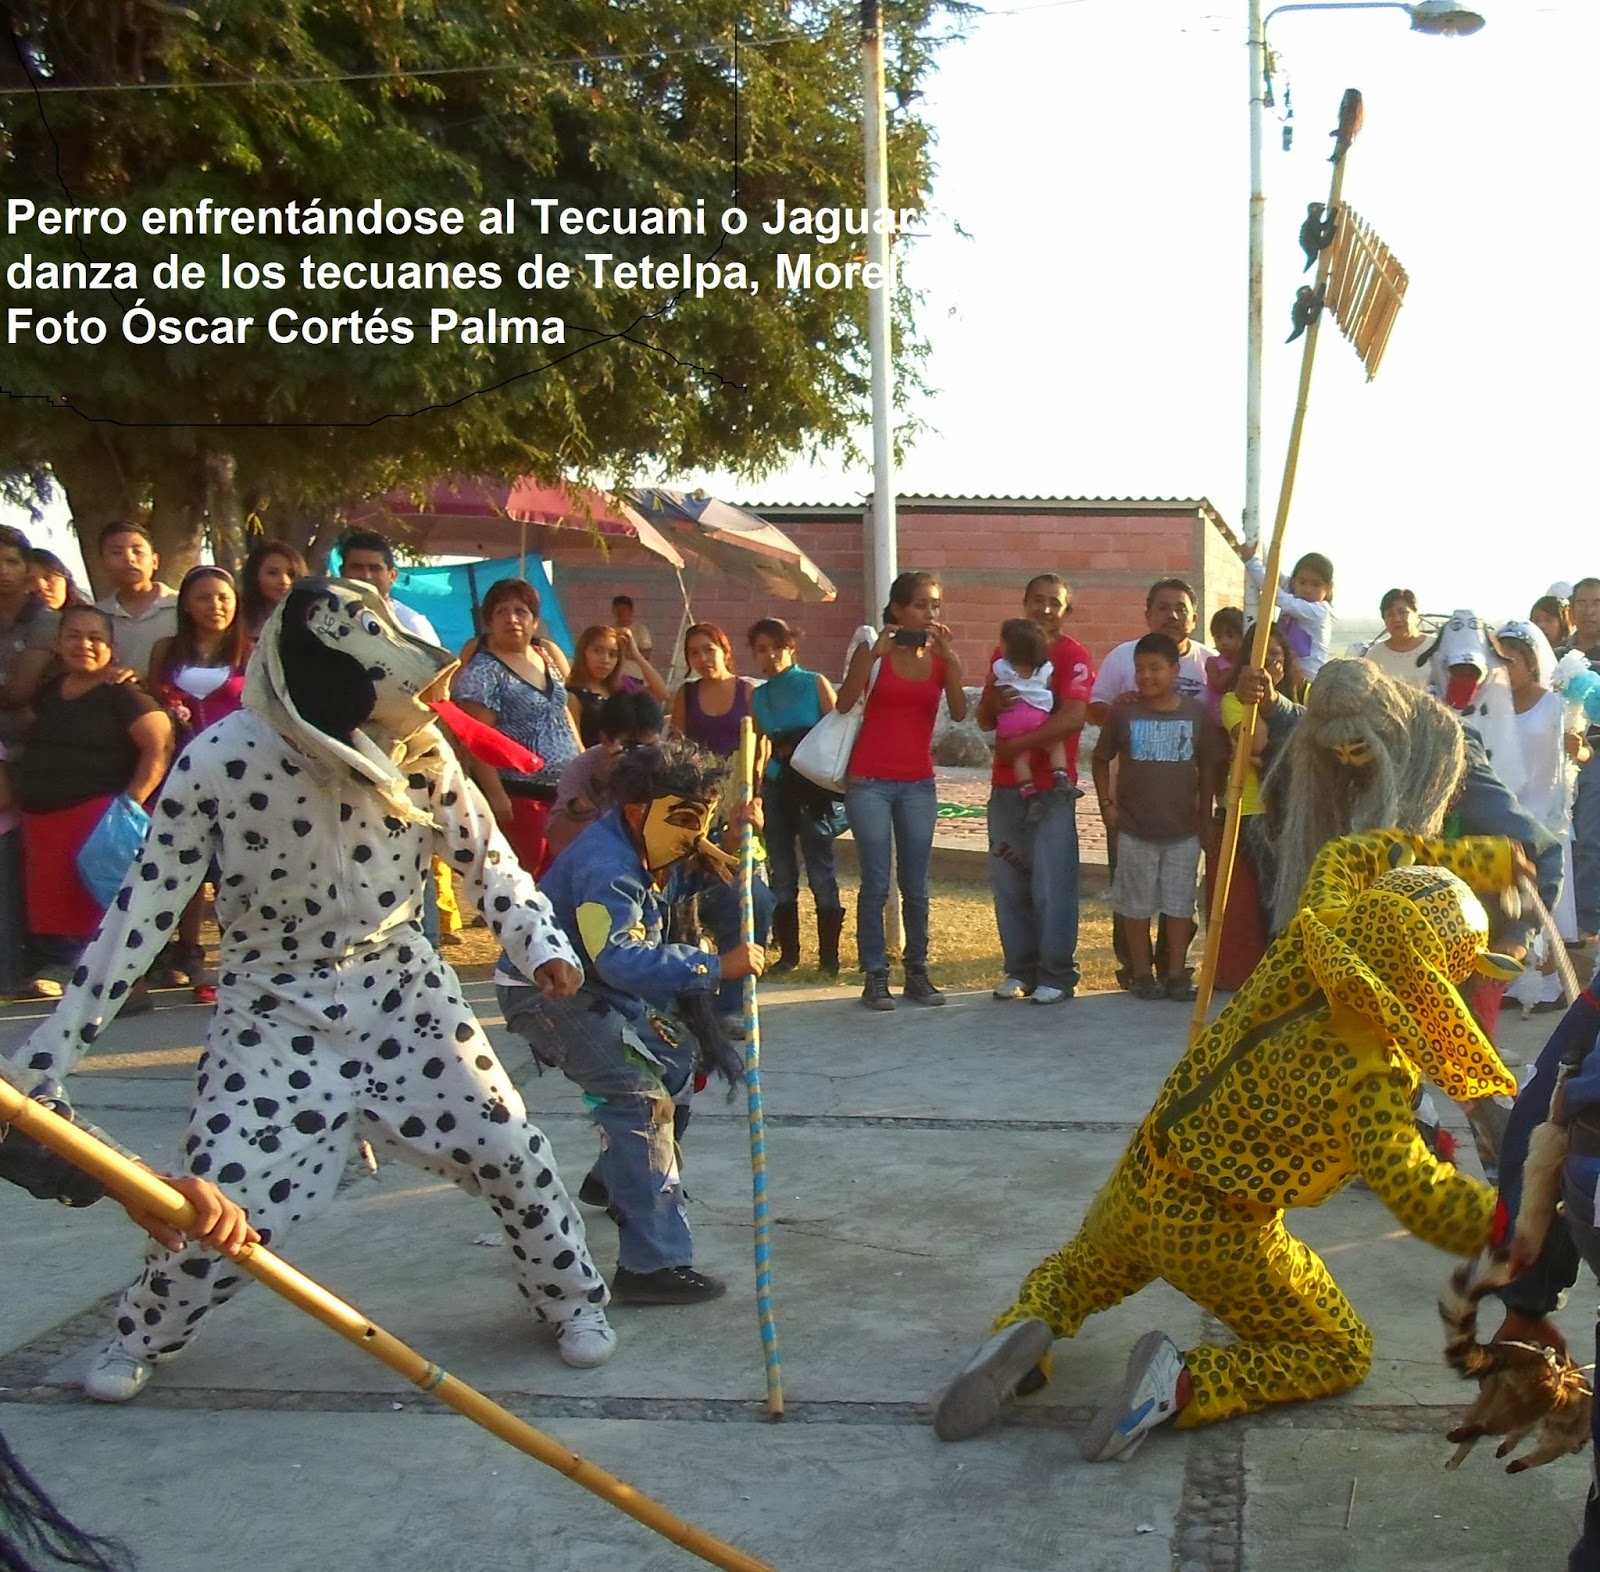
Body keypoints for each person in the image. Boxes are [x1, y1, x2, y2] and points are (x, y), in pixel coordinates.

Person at [8, 577, 616, 1403]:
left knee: (514, 1151)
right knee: (219, 1204)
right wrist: (49, 1056)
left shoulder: (421, 752)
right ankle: (142, 1331)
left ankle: (573, 1300)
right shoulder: (219, 762)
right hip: (272, 1006)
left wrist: (538, 940)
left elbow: (485, 858)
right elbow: (140, 911)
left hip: (404, 988)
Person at [933, 829, 1527, 1457]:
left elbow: (1346, 852)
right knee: (1337, 1349)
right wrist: (1524, 1223)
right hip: (1217, 1225)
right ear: (1442, 975)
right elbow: (1416, 1188)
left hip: (1146, 1169)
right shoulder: (1373, 1071)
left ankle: (1026, 1329)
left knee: (1081, 1269)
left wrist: (1477, 856)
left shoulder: (1314, 926)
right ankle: (1184, 1384)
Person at [498, 738, 767, 1305]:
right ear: (638, 812)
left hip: (596, 989)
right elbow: (617, 956)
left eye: (704, 820)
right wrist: (715, 965)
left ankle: (614, 1176)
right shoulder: (607, 864)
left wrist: (736, 842)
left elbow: (683, 877)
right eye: (687, 821)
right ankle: (651, 1265)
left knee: (676, 1066)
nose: (695, 836)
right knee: (640, 1101)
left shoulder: (648, 847)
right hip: (549, 993)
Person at [13, 604, 173, 1004]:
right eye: (73, 636)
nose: (83, 644)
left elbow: (159, 743)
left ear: (111, 647)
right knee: (65, 912)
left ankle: (124, 985)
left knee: (107, 904)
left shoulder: (122, 692)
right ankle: (80, 977)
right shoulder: (52, 689)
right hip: (47, 818)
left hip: (99, 816)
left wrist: (132, 802)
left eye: (95, 638)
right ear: (57, 642)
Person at [836, 570, 966, 1011]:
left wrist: (951, 658)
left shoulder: (939, 657)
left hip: (918, 782)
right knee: (875, 882)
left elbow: (962, 710)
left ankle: (918, 971)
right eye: (921, 604)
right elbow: (843, 702)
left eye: (935, 605)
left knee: (916, 883)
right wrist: (873, 656)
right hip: (869, 780)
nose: (930, 613)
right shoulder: (873, 652)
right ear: (897, 609)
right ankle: (874, 975)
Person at [976, 574, 1095, 1006]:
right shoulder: (1003, 651)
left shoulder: (1073, 655)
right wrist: (994, 703)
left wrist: (1019, 745)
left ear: (1067, 610)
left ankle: (1058, 975)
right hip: (1007, 787)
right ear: (1024, 602)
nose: (1046, 609)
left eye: (1055, 603)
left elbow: (1073, 717)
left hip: (1051, 789)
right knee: (1009, 880)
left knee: (1052, 883)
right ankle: (1019, 970)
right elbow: (985, 718)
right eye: (1038, 601)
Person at [1092, 632, 1224, 1002]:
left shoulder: (1194, 714)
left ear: (1175, 670)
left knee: (1180, 904)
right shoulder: (1124, 711)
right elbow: (1101, 758)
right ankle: (1141, 972)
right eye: (1139, 669)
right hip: (1134, 828)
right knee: (1135, 905)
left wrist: (1205, 817)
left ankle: (1176, 972)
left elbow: (1210, 768)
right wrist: (1107, 805)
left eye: (1155, 668)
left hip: (1183, 830)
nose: (1146, 676)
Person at [147, 566, 251, 1004]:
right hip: (179, 774)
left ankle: (237, 967)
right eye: (204, 598)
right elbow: (153, 698)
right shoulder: (166, 650)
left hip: (241, 778)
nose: (216, 606)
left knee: (237, 874)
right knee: (185, 869)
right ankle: (183, 953)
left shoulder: (252, 650)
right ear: (186, 604)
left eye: (224, 597)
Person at [453, 577, 583, 875]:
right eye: (501, 612)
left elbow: (562, 713)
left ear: (535, 621)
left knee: (566, 878)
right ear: (488, 622)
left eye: (521, 611)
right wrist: (496, 794)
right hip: (521, 795)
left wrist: (582, 759)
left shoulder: (546, 656)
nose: (512, 619)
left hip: (565, 794)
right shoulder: (485, 670)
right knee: (530, 882)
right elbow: (477, 738)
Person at [748, 616, 845, 975]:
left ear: (791, 647)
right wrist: (755, 789)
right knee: (782, 870)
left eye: (776, 647)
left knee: (820, 868)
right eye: (761, 649)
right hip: (777, 784)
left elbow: (837, 731)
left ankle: (829, 959)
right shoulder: (758, 695)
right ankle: (788, 953)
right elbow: (757, 745)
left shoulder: (814, 683)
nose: (770, 655)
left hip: (813, 786)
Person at [1497, 620, 1580, 1007]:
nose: (1504, 670)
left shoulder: (1554, 704)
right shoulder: (1491, 704)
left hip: (1544, 810)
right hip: (1507, 810)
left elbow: (1581, 754)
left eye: (1511, 662)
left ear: (1530, 663)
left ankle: (1549, 985)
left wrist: (1576, 748)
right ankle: (1514, 981)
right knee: (1512, 900)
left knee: (1547, 899)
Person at [546, 689, 665, 861]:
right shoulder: (583, 769)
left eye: (651, 746)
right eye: (634, 746)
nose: (644, 756)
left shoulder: (667, 763)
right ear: (606, 739)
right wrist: (595, 788)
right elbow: (558, 844)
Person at [1088, 578, 1214, 724]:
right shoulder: (1121, 656)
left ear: (1194, 620)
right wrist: (1122, 710)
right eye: (1163, 608)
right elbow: (1095, 708)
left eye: (1181, 609)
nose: (1172, 616)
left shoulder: (1211, 662)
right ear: (1148, 616)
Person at [989, 619, 1074, 798]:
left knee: (1020, 756)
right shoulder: (1043, 669)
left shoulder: (1001, 667)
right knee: (1055, 743)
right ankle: (1060, 775)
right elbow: (1049, 684)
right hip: (1036, 716)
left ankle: (1027, 790)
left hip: (1011, 718)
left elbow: (992, 684)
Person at [0, 525, 60, 750]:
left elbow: (18, 692)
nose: (2, 570)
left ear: (27, 569)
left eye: (12, 562)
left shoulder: (47, 620)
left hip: (33, 746)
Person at [94, 521, 178, 679]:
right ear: (102, 563)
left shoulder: (182, 607)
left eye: (137, 551)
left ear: (155, 561)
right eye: (117, 552)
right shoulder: (96, 615)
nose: (129, 558)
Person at [565, 623, 667, 748]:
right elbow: (575, 744)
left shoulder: (620, 687)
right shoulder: (573, 695)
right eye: (597, 651)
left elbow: (661, 694)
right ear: (583, 652)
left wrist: (636, 655)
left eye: (613, 654)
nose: (605, 660)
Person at [335, 528, 442, 645]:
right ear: (342, 572)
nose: (366, 576)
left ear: (392, 576)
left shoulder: (410, 624)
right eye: (356, 567)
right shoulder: (323, 615)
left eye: (375, 568)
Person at [1244, 546, 1335, 681]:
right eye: (1302, 582)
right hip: (1287, 675)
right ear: (1294, 581)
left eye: (1316, 585)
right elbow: (1276, 577)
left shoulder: (1318, 611)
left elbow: (1276, 594)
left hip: (1308, 681)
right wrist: (1259, 546)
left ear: (1328, 588)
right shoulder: (1295, 592)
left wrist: (1252, 562)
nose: (1307, 590)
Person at [1567, 579, 1600, 944]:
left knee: (1590, 839)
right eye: (1582, 602)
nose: (1589, 610)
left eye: (1597, 602)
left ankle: (1586, 919)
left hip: (1597, 757)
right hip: (1558, 759)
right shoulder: (1559, 654)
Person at [670, 623, 755, 759]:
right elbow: (675, 742)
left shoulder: (747, 691)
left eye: (709, 650)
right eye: (694, 653)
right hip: (696, 776)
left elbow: (758, 745)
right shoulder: (686, 694)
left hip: (737, 776)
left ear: (725, 651)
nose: (703, 659)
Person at [1362, 587, 1431, 689]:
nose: (1397, 619)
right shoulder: (1374, 655)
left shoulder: (1437, 646)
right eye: (1390, 614)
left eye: (1403, 612)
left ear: (1416, 614)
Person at [240, 538, 309, 637]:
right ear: (254, 576)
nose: (284, 581)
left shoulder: (312, 621)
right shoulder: (238, 622)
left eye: (291, 574)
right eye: (273, 573)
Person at [1203, 606, 1245, 721]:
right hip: (1217, 721)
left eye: (1230, 636)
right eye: (1218, 637)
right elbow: (1220, 686)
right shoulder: (1213, 663)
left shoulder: (1248, 662)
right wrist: (1237, 663)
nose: (1223, 642)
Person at [25, 548, 89, 611]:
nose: (42, 586)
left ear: (66, 581)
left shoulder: (90, 618)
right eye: (30, 580)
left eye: (49, 578)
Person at [610, 594, 655, 684]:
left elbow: (647, 653)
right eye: (617, 610)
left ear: (631, 611)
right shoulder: (609, 630)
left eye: (624, 610)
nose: (621, 613)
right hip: (612, 677)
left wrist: (630, 654)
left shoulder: (640, 630)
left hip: (633, 678)